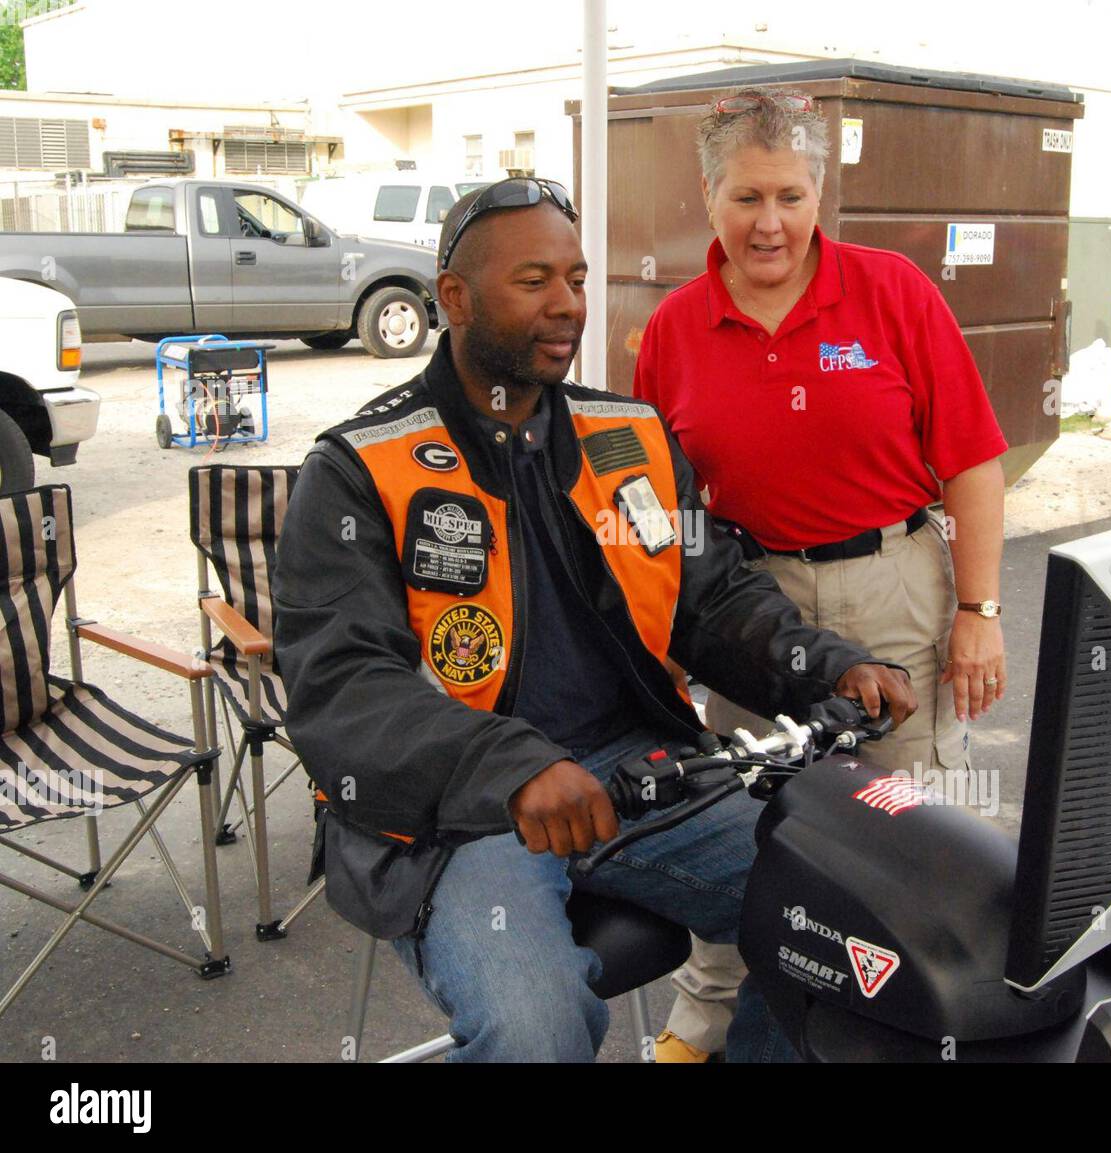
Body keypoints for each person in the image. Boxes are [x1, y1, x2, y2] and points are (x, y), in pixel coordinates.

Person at [272, 177, 917, 1063]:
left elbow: (714, 598)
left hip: (644, 775)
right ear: (453, 298)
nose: (567, 305)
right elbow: (342, 689)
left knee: (853, 933)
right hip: (465, 808)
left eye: (576, 278)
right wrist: (514, 764)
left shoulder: (633, 437)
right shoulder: (357, 469)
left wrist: (825, 663)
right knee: (535, 1031)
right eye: (533, 281)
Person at [633, 88, 1010, 1062]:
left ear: (818, 195)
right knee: (751, 827)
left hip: (889, 588)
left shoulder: (891, 291)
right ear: (709, 196)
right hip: (745, 611)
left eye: (791, 197)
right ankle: (706, 1022)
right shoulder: (672, 331)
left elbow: (971, 462)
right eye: (748, 197)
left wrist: (978, 610)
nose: (771, 223)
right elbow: (652, 511)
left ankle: (902, 1027)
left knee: (896, 828)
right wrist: (656, 646)